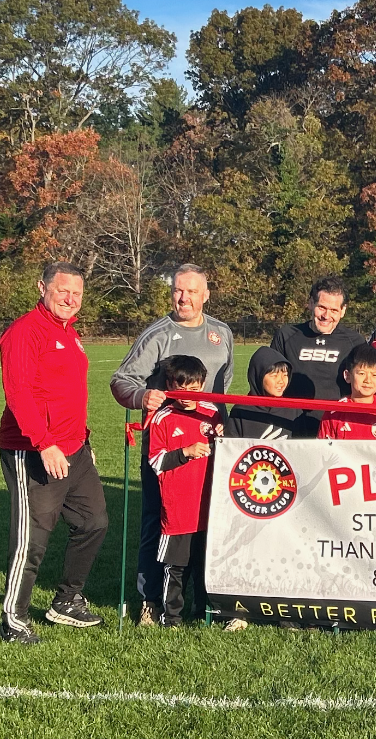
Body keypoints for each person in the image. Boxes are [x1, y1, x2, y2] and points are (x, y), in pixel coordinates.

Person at [110, 263, 234, 627]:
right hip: (168, 440)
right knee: (158, 519)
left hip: (209, 442)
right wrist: (142, 395)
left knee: (205, 519)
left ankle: (204, 599)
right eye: (179, 290)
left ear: (206, 294)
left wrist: (222, 426)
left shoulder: (222, 333)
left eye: (192, 291)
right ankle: (150, 599)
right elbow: (122, 380)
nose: (185, 298)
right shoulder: (157, 335)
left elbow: (222, 390)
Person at [0, 261, 109, 644]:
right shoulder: (25, 331)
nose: (70, 298)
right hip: (32, 449)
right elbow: (19, 394)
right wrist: (44, 443)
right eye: (63, 290)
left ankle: (67, 601)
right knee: (33, 538)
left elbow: (70, 395)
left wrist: (84, 439)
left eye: (77, 293)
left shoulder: (70, 333)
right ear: (41, 287)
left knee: (93, 522)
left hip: (75, 448)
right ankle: (14, 618)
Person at [147, 356, 221, 627]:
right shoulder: (163, 418)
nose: (188, 396)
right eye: (181, 389)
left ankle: (202, 611)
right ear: (170, 386)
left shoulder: (212, 412)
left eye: (194, 388)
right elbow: (155, 461)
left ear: (202, 385)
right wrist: (185, 453)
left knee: (204, 565)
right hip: (178, 508)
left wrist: (223, 435)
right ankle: (171, 617)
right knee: (176, 567)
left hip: (208, 506)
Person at [270, 276, 366, 437]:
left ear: (343, 311)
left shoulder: (355, 342)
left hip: (337, 425)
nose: (326, 315)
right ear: (310, 304)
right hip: (291, 425)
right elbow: (269, 380)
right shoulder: (286, 335)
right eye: (322, 307)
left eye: (334, 310)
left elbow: (366, 385)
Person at [318, 345, 376, 441]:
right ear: (347, 376)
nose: (368, 380)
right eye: (362, 373)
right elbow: (324, 452)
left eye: (374, 375)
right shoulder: (334, 413)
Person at [224, 347, 300, 441]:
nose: (281, 381)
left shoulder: (294, 411)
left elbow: (302, 448)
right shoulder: (241, 412)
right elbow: (230, 448)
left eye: (285, 375)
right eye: (274, 376)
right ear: (258, 376)